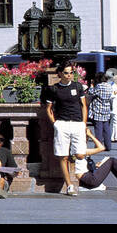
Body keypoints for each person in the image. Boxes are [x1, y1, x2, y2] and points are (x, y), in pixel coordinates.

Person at [44, 62, 87, 195]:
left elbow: (83, 106)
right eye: (66, 73)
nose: (69, 75)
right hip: (62, 124)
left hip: (77, 124)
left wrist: (84, 123)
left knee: (80, 154)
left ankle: (81, 177)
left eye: (71, 72)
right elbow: (48, 108)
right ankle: (70, 185)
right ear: (60, 74)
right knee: (63, 156)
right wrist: (55, 123)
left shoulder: (78, 86)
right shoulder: (54, 89)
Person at [70, 128, 117, 192]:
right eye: (86, 138)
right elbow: (101, 148)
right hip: (88, 180)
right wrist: (91, 135)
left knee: (110, 161)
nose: (86, 140)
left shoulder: (77, 149)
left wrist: (95, 166)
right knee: (112, 161)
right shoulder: (79, 150)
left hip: (87, 178)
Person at [87, 70, 117, 151]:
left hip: (98, 109)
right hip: (106, 109)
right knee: (106, 128)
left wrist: (92, 85)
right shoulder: (109, 86)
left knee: (98, 129)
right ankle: (108, 146)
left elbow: (91, 92)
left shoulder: (99, 86)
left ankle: (99, 145)